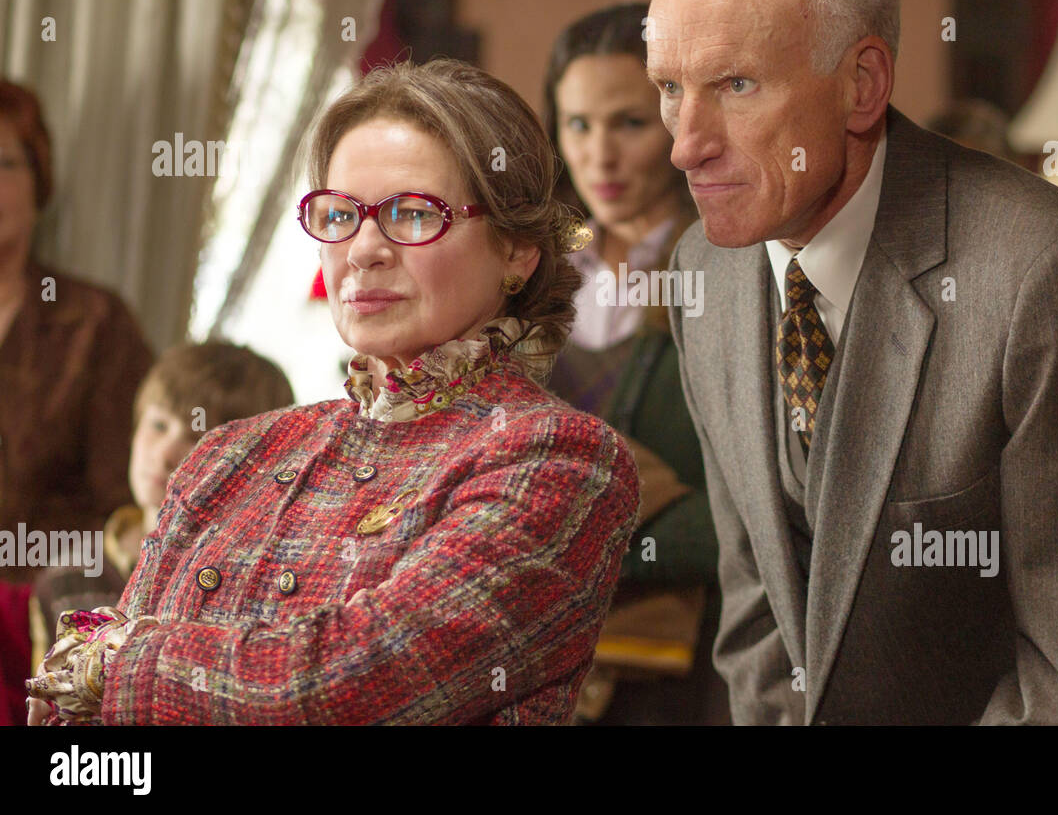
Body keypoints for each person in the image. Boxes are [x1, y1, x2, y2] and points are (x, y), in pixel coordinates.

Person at [649, 0, 1058, 724]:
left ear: (863, 84)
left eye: (735, 85)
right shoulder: (702, 269)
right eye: (671, 90)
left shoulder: (1048, 277)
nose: (685, 144)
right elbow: (760, 620)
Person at [26, 59, 639, 725]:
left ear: (517, 249)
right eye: (340, 213)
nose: (364, 248)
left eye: (411, 213)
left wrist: (111, 660)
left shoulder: (560, 458)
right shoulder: (232, 452)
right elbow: (73, 726)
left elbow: (337, 690)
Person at [543, 2, 728, 724]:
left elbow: (772, 517)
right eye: (578, 125)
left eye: (628, 123)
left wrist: (588, 547)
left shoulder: (733, 272)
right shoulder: (533, 274)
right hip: (547, 674)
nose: (600, 157)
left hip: (690, 674)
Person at [0, 80, 153, 726]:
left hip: (42, 615)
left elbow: (127, 509)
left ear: (39, 182)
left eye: (5, 164)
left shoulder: (95, 321)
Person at [29, 341, 296, 652]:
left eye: (197, 438)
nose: (165, 454)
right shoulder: (68, 574)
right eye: (158, 425)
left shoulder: (261, 583)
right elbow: (48, 693)